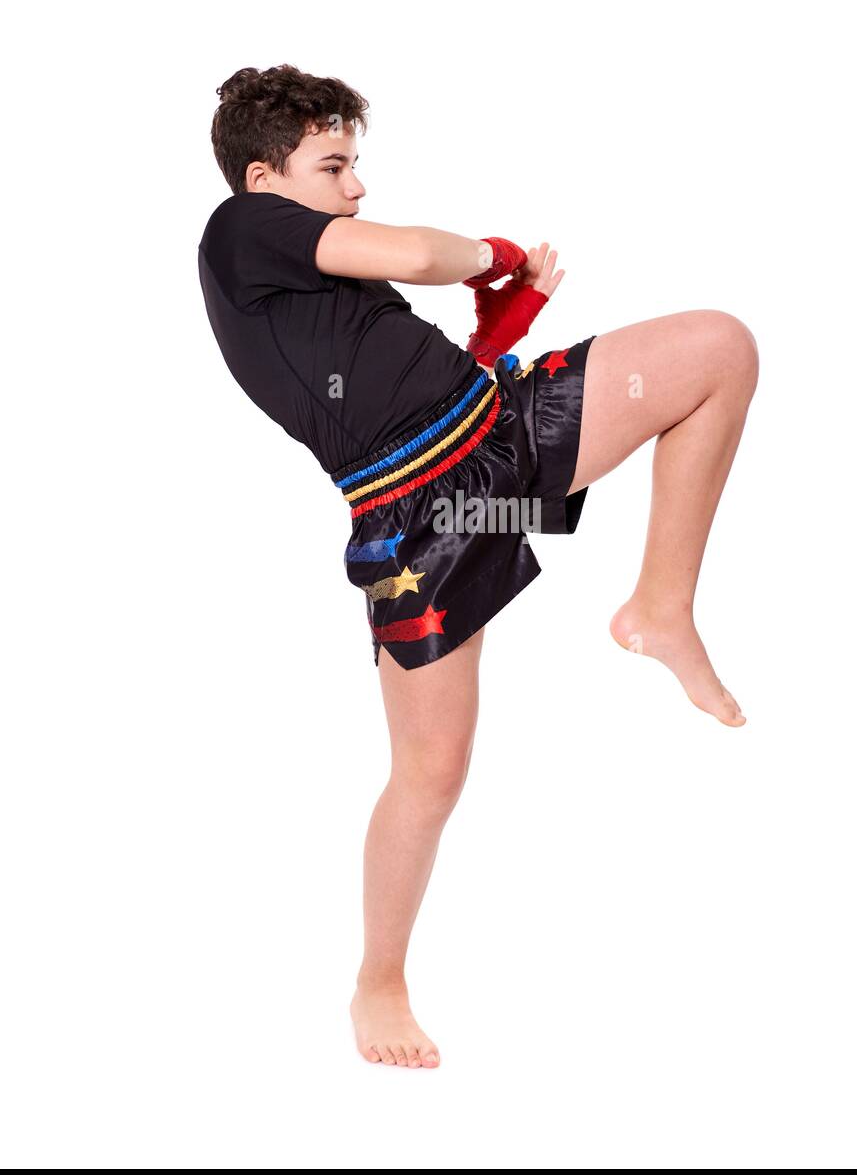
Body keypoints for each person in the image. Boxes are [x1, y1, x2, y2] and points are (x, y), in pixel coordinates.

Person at [198, 64, 760, 1070]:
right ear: (262, 178)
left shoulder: (317, 272)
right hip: (424, 518)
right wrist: (491, 255)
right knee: (432, 772)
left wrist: (507, 320)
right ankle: (378, 981)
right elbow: (421, 254)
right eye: (334, 166)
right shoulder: (240, 231)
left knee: (718, 348)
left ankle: (660, 607)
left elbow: (406, 362)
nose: (356, 186)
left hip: (502, 428)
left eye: (357, 165)